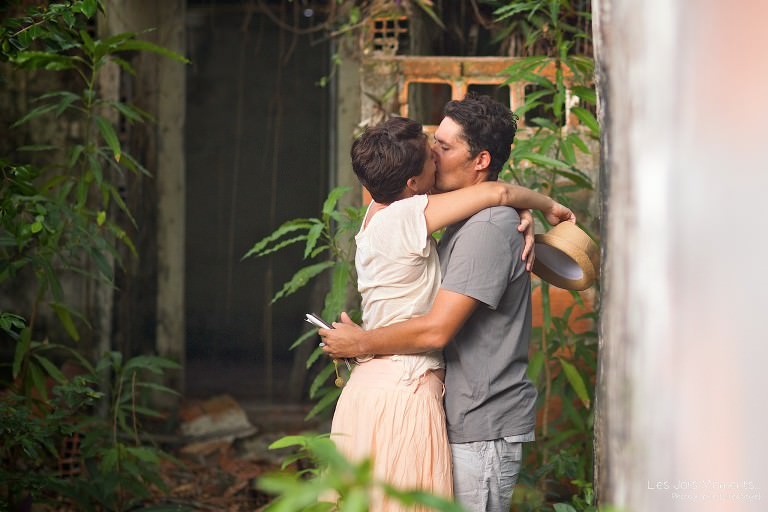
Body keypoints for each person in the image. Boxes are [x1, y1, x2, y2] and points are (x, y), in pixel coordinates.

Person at [320, 93, 574, 511]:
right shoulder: (449, 217)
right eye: (432, 146)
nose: (434, 156)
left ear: (480, 160)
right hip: (443, 408)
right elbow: (496, 196)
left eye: (444, 146)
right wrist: (524, 206)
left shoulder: (485, 225)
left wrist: (362, 342)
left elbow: (437, 329)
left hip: (479, 425)